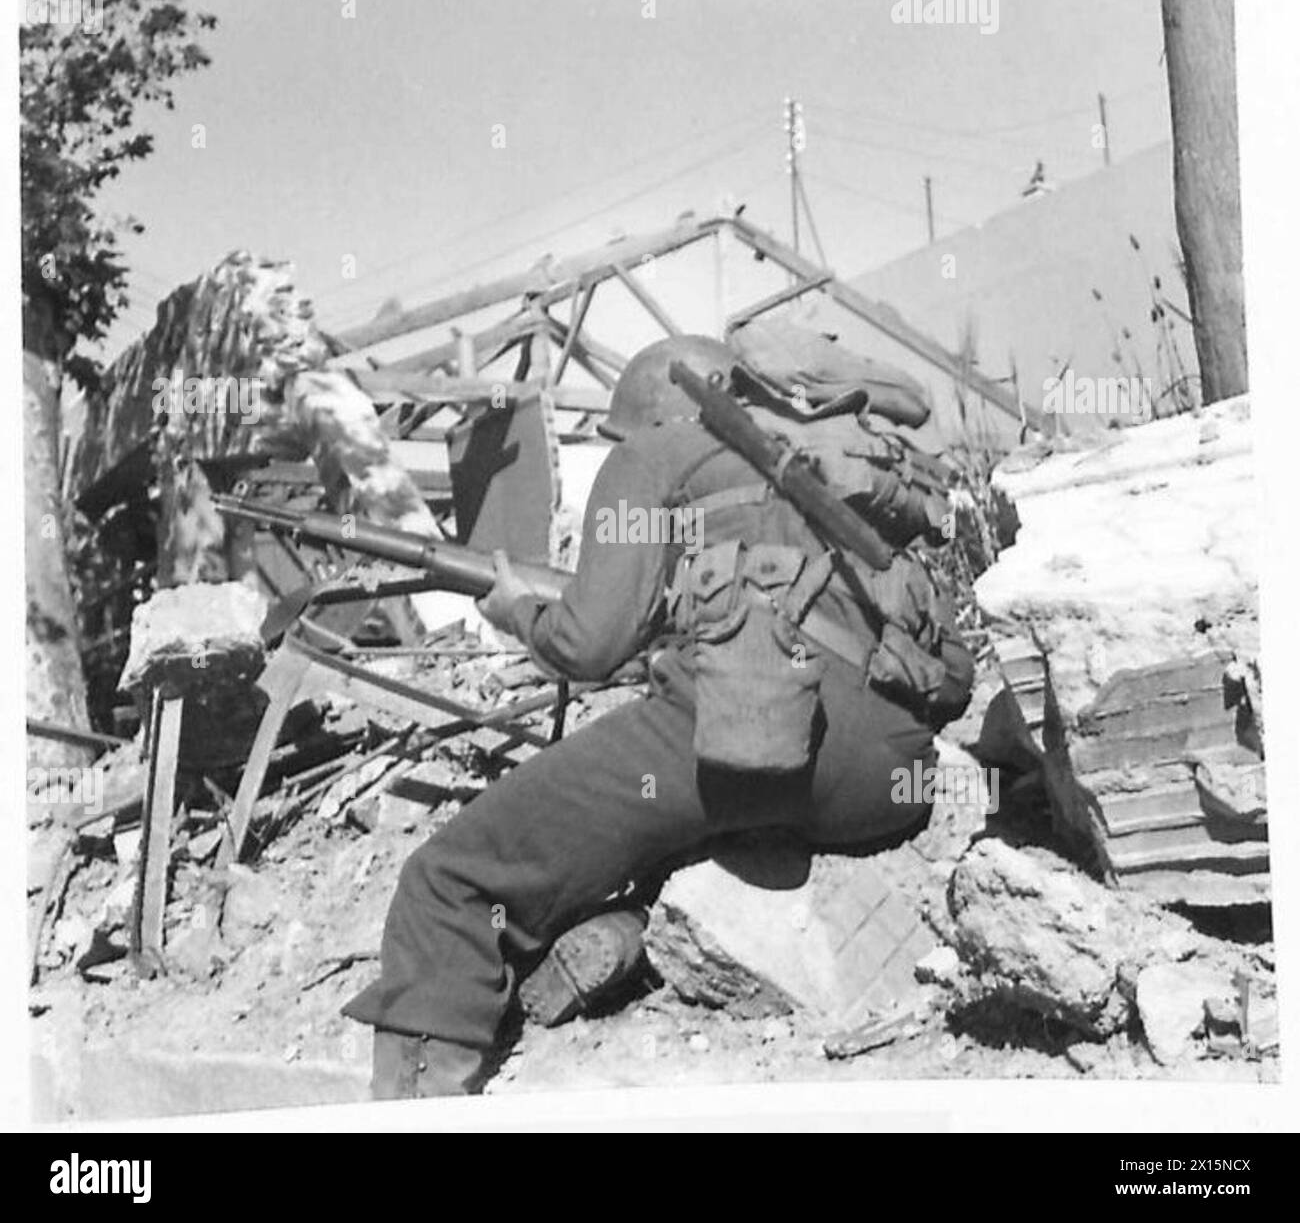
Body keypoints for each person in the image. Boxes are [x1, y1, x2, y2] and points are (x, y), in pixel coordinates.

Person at [342, 334, 972, 1097]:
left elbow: (589, 642)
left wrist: (519, 614)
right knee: (690, 818)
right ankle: (629, 934)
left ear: (647, 415)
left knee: (450, 882)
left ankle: (413, 1104)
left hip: (755, 728)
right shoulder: (826, 457)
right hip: (888, 776)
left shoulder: (658, 453)